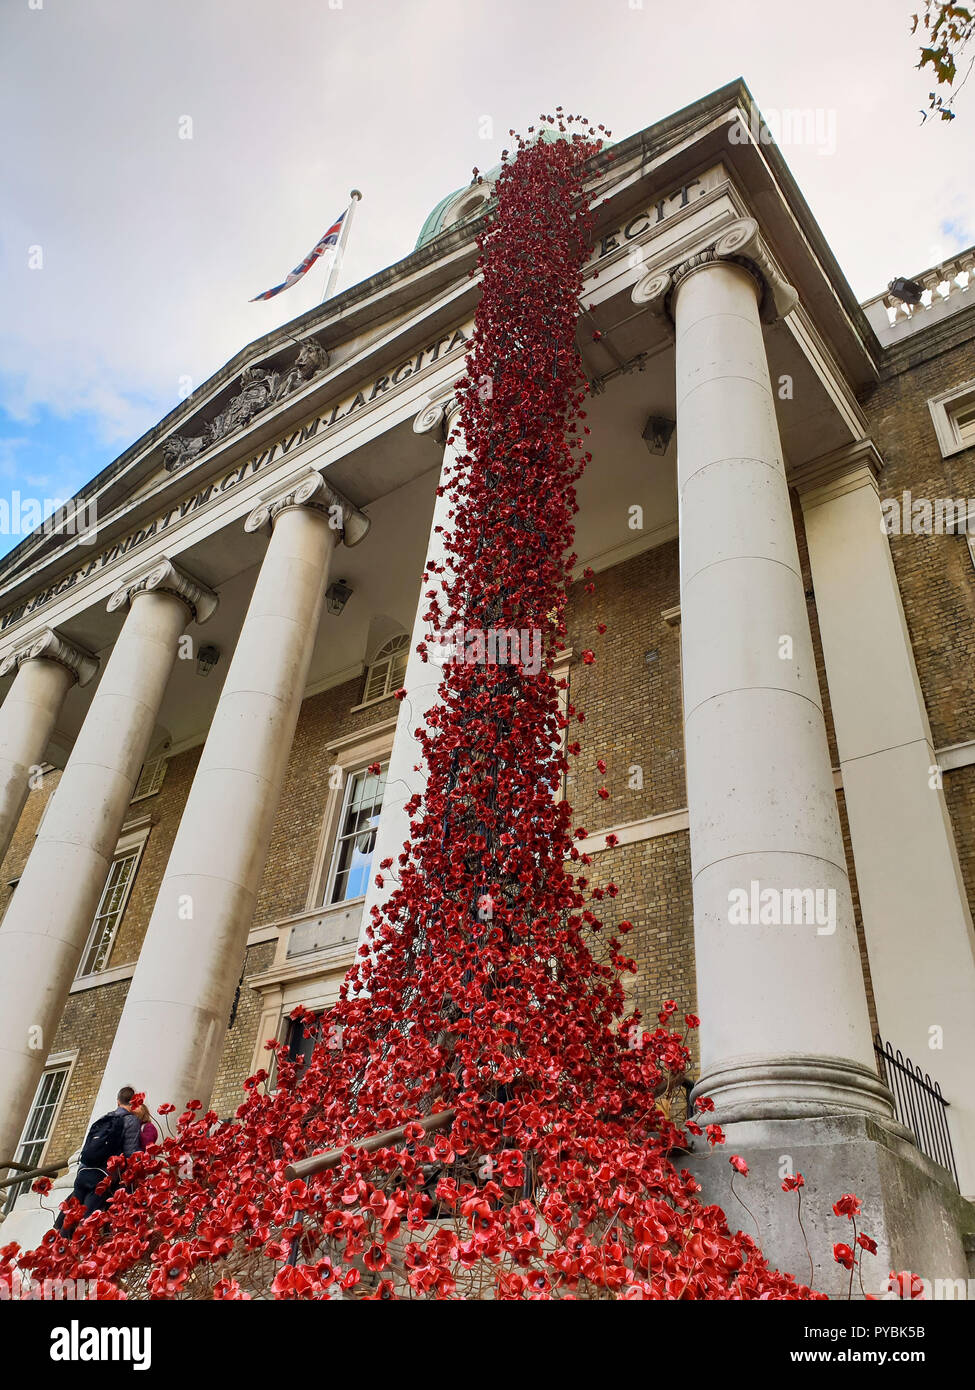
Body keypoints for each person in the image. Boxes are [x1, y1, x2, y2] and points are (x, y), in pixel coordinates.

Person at [54, 1086, 142, 1231]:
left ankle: (57, 1248)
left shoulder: (104, 1118)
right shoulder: (131, 1121)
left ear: (118, 1101)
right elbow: (130, 1153)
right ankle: (74, 1248)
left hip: (83, 1172)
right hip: (102, 1177)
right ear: (134, 1103)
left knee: (70, 1219)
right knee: (87, 1222)